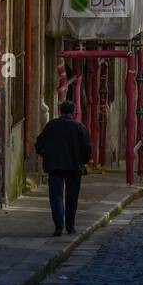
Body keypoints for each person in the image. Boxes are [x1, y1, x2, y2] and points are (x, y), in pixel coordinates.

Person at [35, 100, 93, 236]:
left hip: (55, 167)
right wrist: (81, 162)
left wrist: (47, 156)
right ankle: (70, 226)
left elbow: (38, 145)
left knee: (56, 196)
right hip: (74, 167)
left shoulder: (51, 125)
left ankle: (59, 226)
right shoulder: (79, 128)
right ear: (73, 112)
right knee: (72, 197)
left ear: (60, 111)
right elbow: (87, 150)